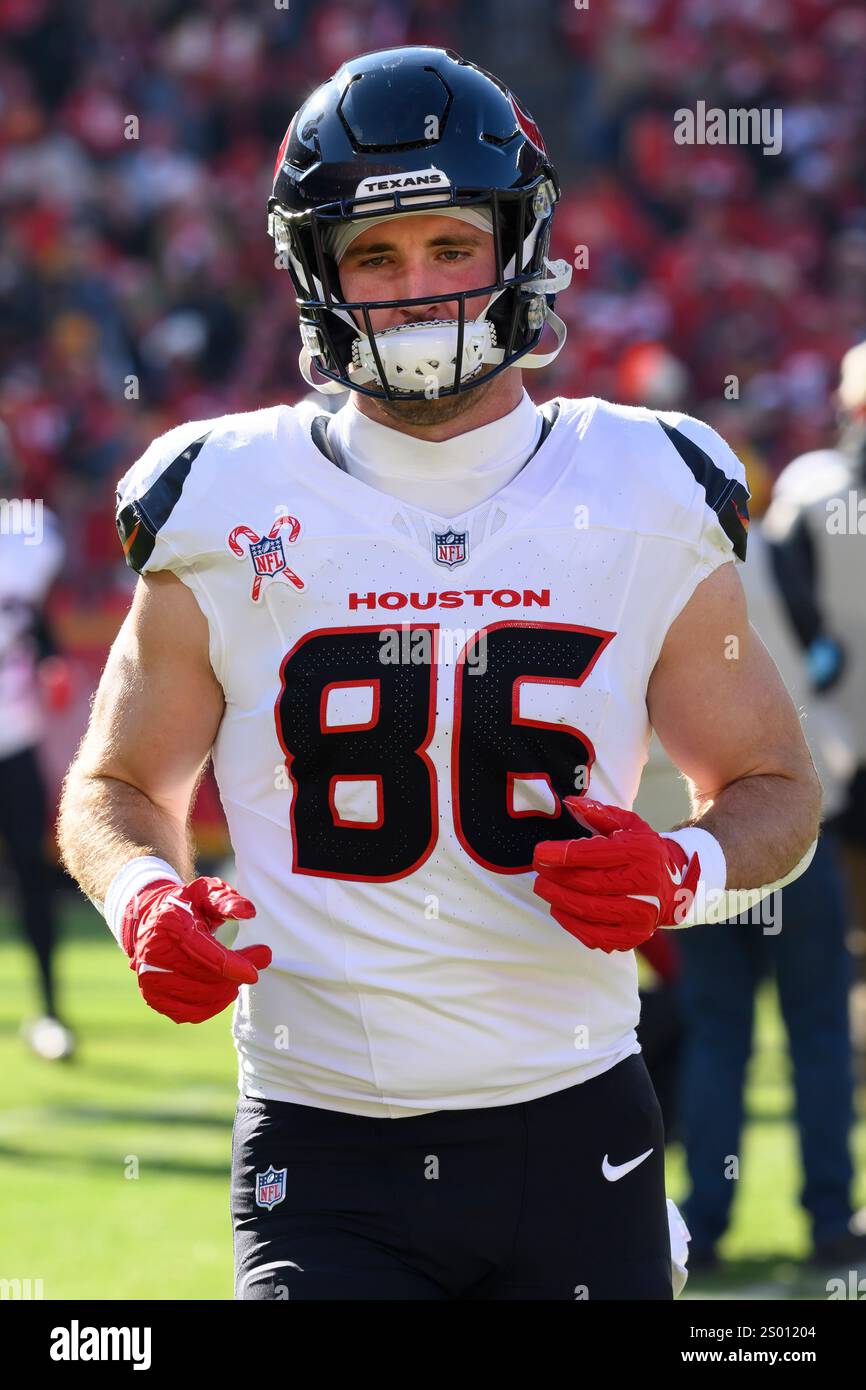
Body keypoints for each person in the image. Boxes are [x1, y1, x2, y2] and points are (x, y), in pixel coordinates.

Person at [58, 47, 820, 1301]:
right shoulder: (223, 495)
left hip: (576, 1123)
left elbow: (771, 783)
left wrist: (683, 868)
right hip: (322, 1140)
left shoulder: (641, 485)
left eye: (448, 245)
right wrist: (143, 893)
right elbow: (115, 784)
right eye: (372, 254)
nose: (414, 290)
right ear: (317, 275)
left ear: (515, 246)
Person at [0, 426, 73, 1060]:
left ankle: (51, 1011)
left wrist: (49, 659)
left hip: (13, 729)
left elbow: (37, 623)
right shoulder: (28, 533)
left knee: (31, 872)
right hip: (13, 724)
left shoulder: (27, 533)